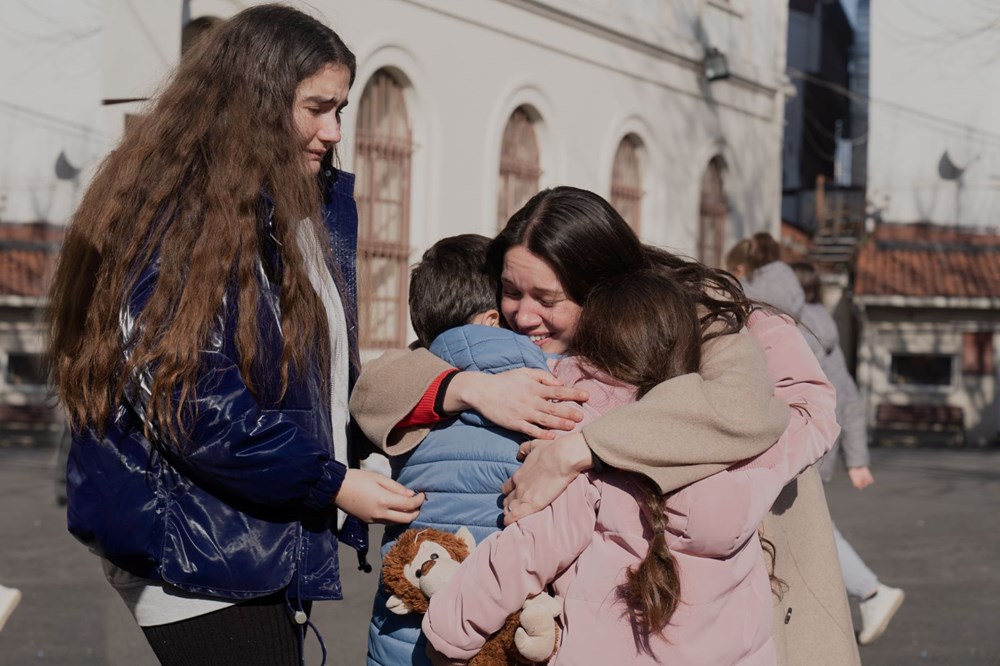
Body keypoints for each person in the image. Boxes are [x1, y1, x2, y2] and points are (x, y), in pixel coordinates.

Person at [46, 6, 423, 664]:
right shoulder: (177, 214)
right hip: (197, 550)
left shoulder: (285, 208)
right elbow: (190, 402)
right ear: (256, 101)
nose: (334, 131)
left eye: (340, 109)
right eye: (317, 108)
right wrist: (331, 484)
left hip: (251, 535)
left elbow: (316, 382)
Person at [350, 187, 862, 665]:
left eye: (547, 299)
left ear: (599, 289)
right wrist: (469, 388)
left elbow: (772, 408)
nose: (522, 316)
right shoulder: (517, 336)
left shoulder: (698, 318)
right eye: (509, 291)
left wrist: (583, 447)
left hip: (743, 598)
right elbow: (377, 387)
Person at [421, 268, 839, 664]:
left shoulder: (581, 435)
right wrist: (753, 324)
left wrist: (449, 633)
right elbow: (809, 409)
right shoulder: (750, 448)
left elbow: (526, 552)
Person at [368, 233, 573, 664]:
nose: (525, 315)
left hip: (404, 630)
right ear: (494, 316)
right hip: (505, 631)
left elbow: (367, 389)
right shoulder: (555, 379)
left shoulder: (412, 384)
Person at [790, 261, 905, 646]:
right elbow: (850, 398)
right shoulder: (825, 327)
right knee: (807, 529)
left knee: (810, 529)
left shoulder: (794, 327)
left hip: (801, 448)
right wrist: (856, 461)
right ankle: (869, 594)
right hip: (819, 449)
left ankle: (871, 592)